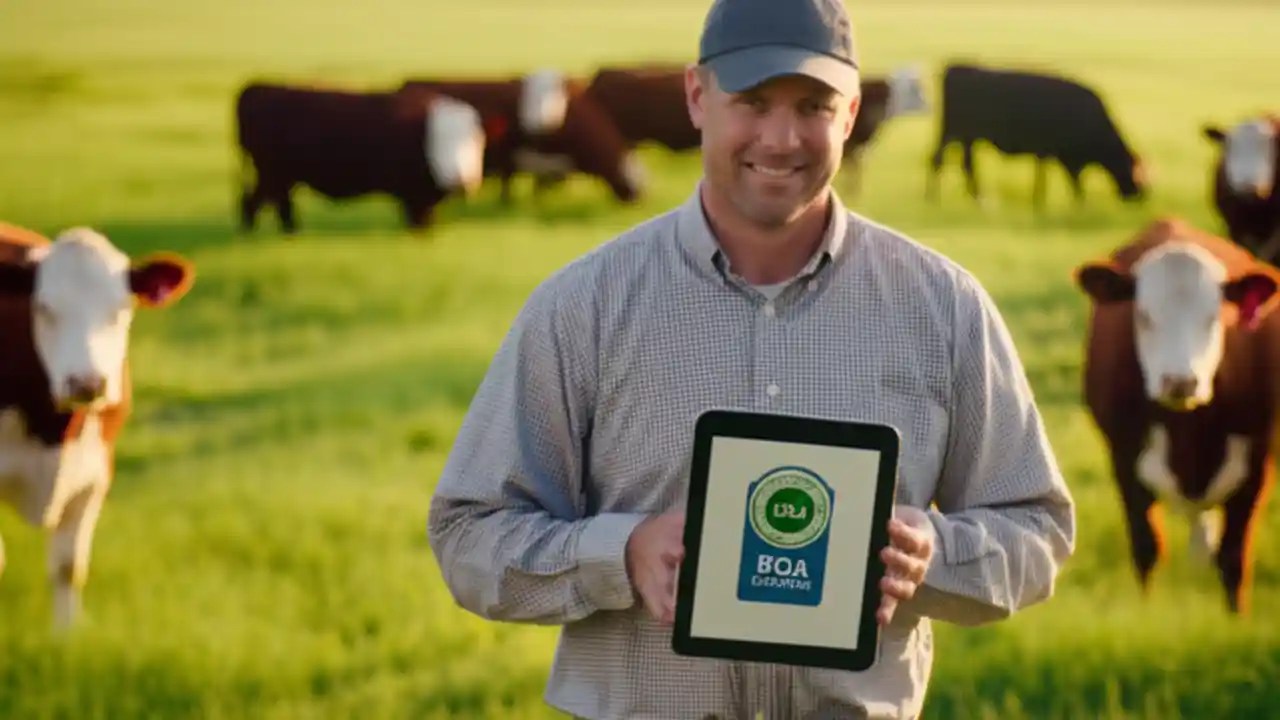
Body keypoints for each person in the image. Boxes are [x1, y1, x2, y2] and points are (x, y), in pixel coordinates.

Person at [427, 0, 1077, 717]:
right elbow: (469, 534)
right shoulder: (584, 307)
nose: (782, 137)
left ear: (853, 111)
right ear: (697, 97)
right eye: (754, 102)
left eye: (814, 105)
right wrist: (621, 554)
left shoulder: (944, 308)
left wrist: (936, 552)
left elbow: (1038, 528)